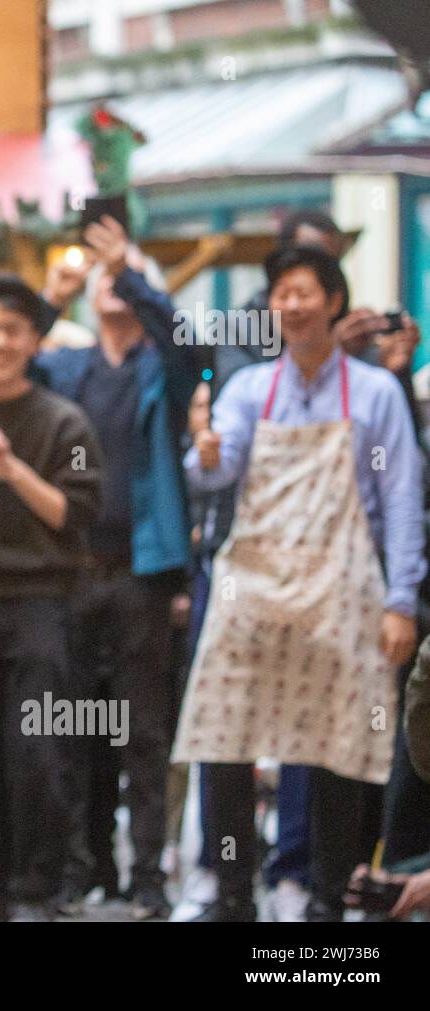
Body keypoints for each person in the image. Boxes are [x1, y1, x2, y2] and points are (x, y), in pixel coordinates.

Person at [175, 245, 425, 921]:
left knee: (336, 746)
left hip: (342, 592)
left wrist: (402, 601)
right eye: (281, 292)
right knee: (221, 737)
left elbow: (402, 501)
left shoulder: (374, 391)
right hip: (251, 589)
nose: (291, 303)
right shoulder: (248, 389)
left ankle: (324, 899)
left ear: (335, 302)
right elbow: (212, 475)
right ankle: (232, 895)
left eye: (305, 291)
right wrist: (202, 453)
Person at [37, 215, 202, 920]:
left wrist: (131, 271)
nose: (110, 283)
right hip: (69, 567)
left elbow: (187, 344)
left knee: (143, 728)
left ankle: (148, 880)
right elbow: (5, 363)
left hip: (142, 567)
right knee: (74, 722)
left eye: (123, 276)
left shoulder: (160, 364)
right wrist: (51, 297)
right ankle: (82, 868)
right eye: (102, 278)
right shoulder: (68, 364)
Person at [0, 276, 102, 921]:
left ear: (36, 340)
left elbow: (72, 514)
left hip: (43, 604)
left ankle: (41, 890)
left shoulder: (64, 421)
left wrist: (11, 471)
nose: (0, 341)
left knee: (38, 754)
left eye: (14, 330)